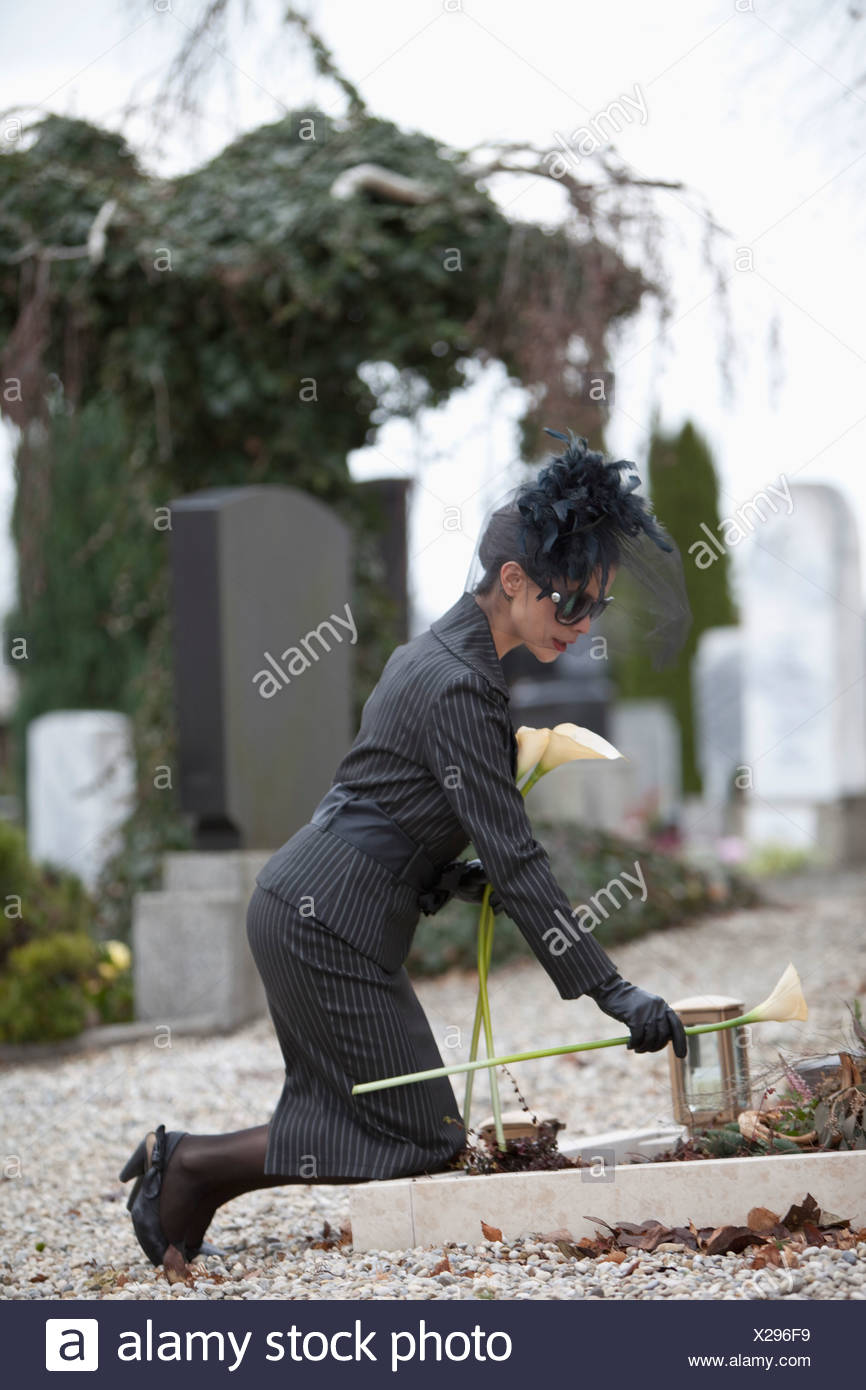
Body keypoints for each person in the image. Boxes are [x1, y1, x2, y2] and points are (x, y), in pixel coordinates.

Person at [119, 428, 690, 1275]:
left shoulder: (441, 654)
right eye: (570, 602)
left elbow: (385, 798)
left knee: (367, 1113)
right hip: (325, 925)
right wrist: (613, 991)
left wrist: (441, 874)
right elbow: (519, 858)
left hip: (323, 912)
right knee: (422, 1133)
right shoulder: (458, 681)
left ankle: (189, 1170)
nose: (581, 624)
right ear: (513, 581)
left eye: (595, 608)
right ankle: (188, 1169)